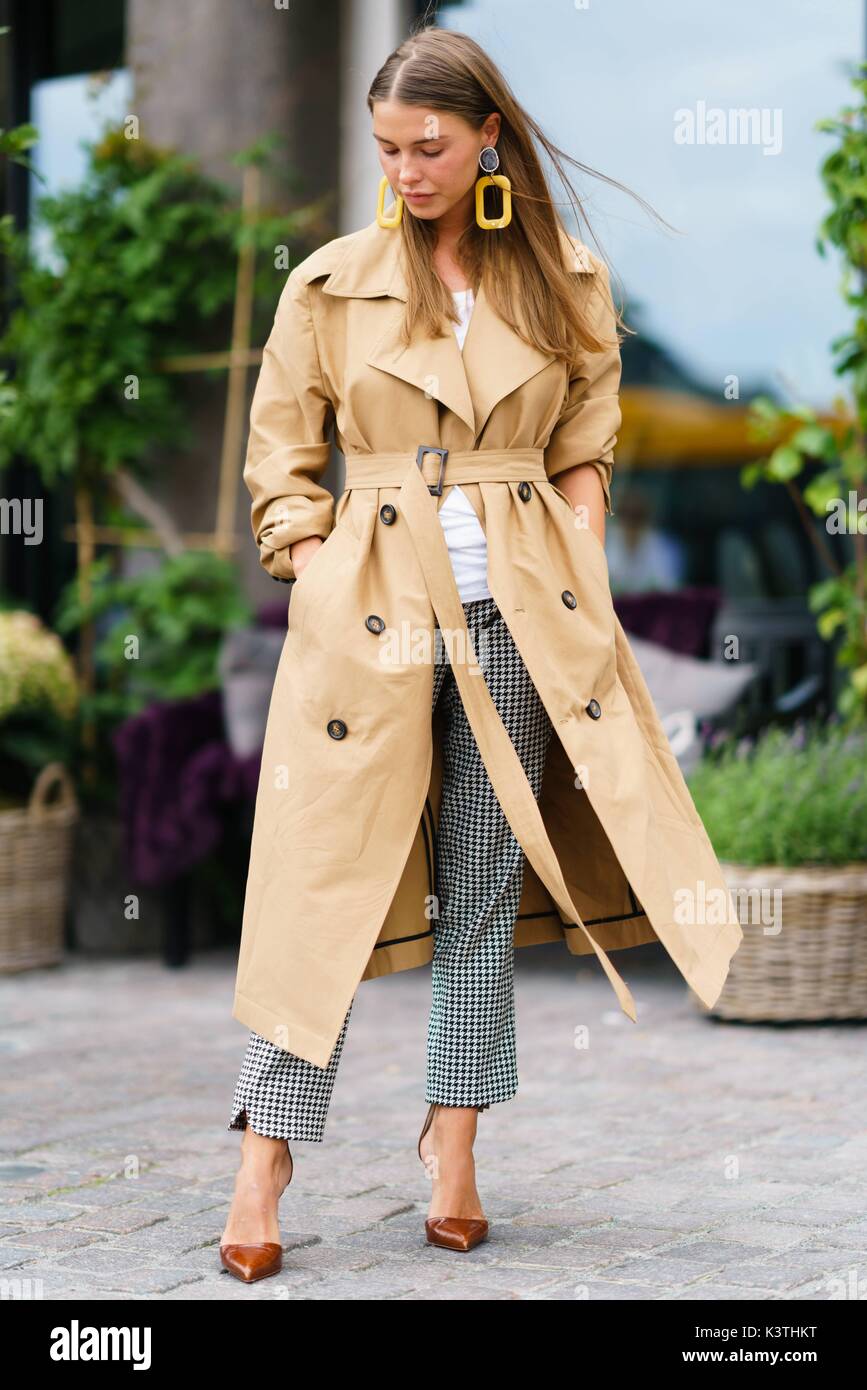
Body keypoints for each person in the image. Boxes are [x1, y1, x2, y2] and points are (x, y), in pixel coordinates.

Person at [219, 25, 742, 1284]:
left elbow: (589, 434)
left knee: (481, 884)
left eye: (430, 145)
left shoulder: (562, 278)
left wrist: (581, 542)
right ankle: (265, 1155)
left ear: (489, 135)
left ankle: (454, 1143)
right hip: (371, 619)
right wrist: (316, 560)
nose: (404, 168)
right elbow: (280, 456)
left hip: (516, 612)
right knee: (318, 878)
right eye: (387, 146)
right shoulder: (329, 285)